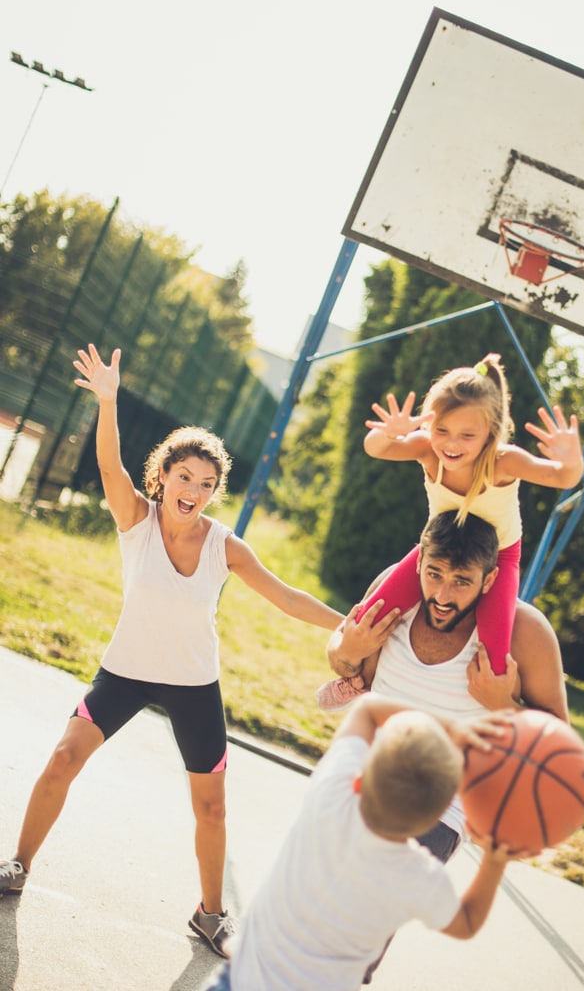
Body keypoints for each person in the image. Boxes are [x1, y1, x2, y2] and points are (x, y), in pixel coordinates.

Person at [0, 343, 344, 958]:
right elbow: (109, 466)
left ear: (214, 493)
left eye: (207, 484)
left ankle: (210, 915)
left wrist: (350, 626)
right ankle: (19, 865)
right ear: (163, 475)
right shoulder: (136, 518)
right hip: (126, 672)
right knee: (62, 758)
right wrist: (108, 401)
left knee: (211, 810)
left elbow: (287, 597)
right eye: (184, 476)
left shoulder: (224, 546)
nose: (194, 490)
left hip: (193, 686)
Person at [325, 509, 569, 983]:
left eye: (461, 581)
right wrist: (345, 652)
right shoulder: (395, 595)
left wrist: (504, 705)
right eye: (434, 573)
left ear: (490, 579)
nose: (441, 595)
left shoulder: (525, 631)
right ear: (418, 561)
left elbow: (559, 739)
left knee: (360, 926)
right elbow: (343, 663)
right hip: (362, 777)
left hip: (441, 806)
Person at [202, 692, 525, 991]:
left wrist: (454, 728)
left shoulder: (331, 796)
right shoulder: (419, 875)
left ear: (359, 779)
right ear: (432, 821)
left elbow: (368, 709)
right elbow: (466, 923)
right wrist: (494, 862)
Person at [317, 353, 583, 711]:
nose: (451, 444)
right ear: (430, 423)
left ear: (490, 432)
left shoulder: (504, 461)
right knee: (370, 618)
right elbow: (375, 448)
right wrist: (388, 433)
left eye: (467, 435)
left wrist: (571, 460)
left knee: (494, 660)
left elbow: (563, 478)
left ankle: (497, 709)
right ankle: (359, 683)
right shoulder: (427, 449)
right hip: (438, 550)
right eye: (442, 430)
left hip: (498, 559)